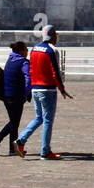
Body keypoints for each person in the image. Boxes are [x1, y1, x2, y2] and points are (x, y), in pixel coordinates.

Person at [17, 26, 73, 159]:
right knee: (48, 120)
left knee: (39, 117)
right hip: (47, 89)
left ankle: (21, 140)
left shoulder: (34, 49)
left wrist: (30, 88)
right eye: (56, 35)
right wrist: (62, 89)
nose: (56, 38)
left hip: (36, 88)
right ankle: (45, 151)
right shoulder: (51, 50)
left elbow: (31, 70)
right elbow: (55, 72)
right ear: (53, 35)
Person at [0, 41, 31, 155]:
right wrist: (26, 92)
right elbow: (28, 78)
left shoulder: (10, 60)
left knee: (14, 122)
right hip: (17, 96)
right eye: (26, 49)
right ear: (21, 51)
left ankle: (11, 148)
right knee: (14, 122)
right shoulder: (23, 62)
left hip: (6, 96)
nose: (27, 51)